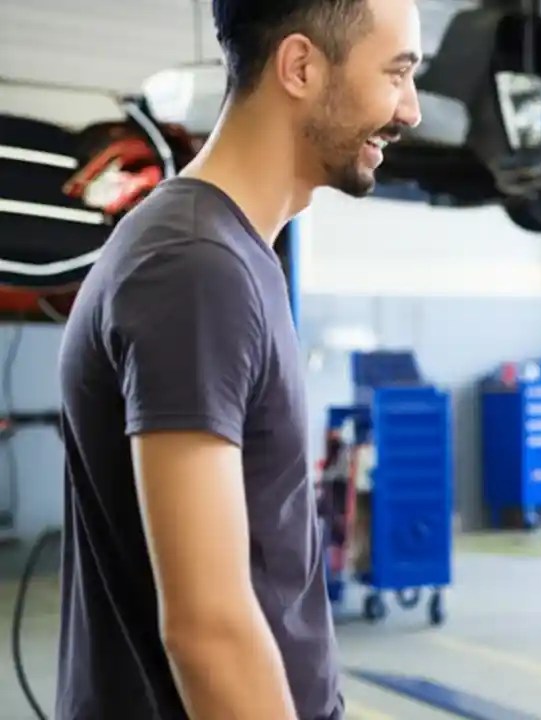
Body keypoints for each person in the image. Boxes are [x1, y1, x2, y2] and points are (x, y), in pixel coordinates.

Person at [55, 1, 422, 718]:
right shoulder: (195, 268)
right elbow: (208, 630)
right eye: (396, 73)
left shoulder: (227, 253)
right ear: (301, 67)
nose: (408, 110)